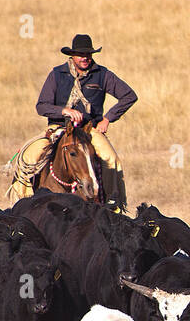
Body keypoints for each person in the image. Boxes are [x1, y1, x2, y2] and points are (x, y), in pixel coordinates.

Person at [12, 34, 136, 203]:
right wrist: (64, 111)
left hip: (89, 130)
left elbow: (129, 95)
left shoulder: (102, 74)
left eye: (88, 54)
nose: (85, 58)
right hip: (58, 128)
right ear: (72, 55)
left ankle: (113, 205)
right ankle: (21, 204)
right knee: (29, 157)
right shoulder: (57, 74)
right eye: (80, 54)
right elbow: (41, 106)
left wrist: (107, 119)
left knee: (111, 159)